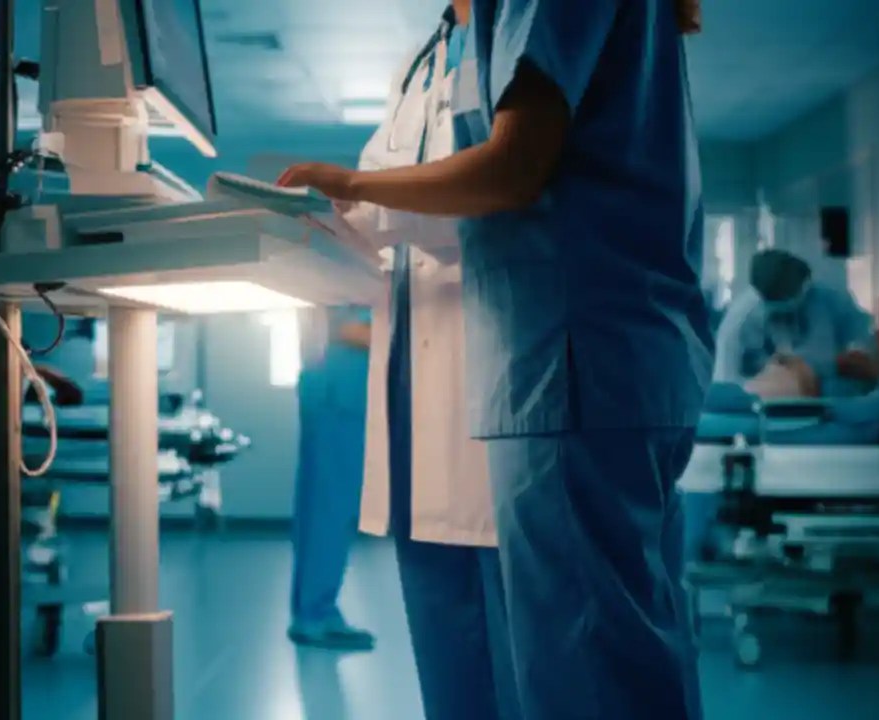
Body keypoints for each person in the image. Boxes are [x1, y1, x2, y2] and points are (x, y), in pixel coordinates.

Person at [279, 1, 709, 718]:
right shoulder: (448, 47)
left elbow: (510, 170)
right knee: (591, 668)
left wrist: (351, 188)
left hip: (573, 360)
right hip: (562, 368)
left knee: (589, 680)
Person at [324, 6, 518, 716]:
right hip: (413, 404)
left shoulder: (523, 34)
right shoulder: (422, 61)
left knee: (519, 661)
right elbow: (381, 192)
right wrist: (324, 215)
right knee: (449, 667)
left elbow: (491, 190)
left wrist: (357, 194)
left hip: (492, 390)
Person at [288, 305, 375, 650]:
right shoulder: (340, 271)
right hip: (340, 396)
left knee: (323, 509)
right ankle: (315, 614)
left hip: (337, 392)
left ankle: (313, 612)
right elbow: (345, 330)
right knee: (328, 511)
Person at [715, 248, 876, 397]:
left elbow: (863, 345)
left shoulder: (828, 299)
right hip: (765, 393)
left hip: (827, 389)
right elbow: (726, 378)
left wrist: (857, 358)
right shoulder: (743, 319)